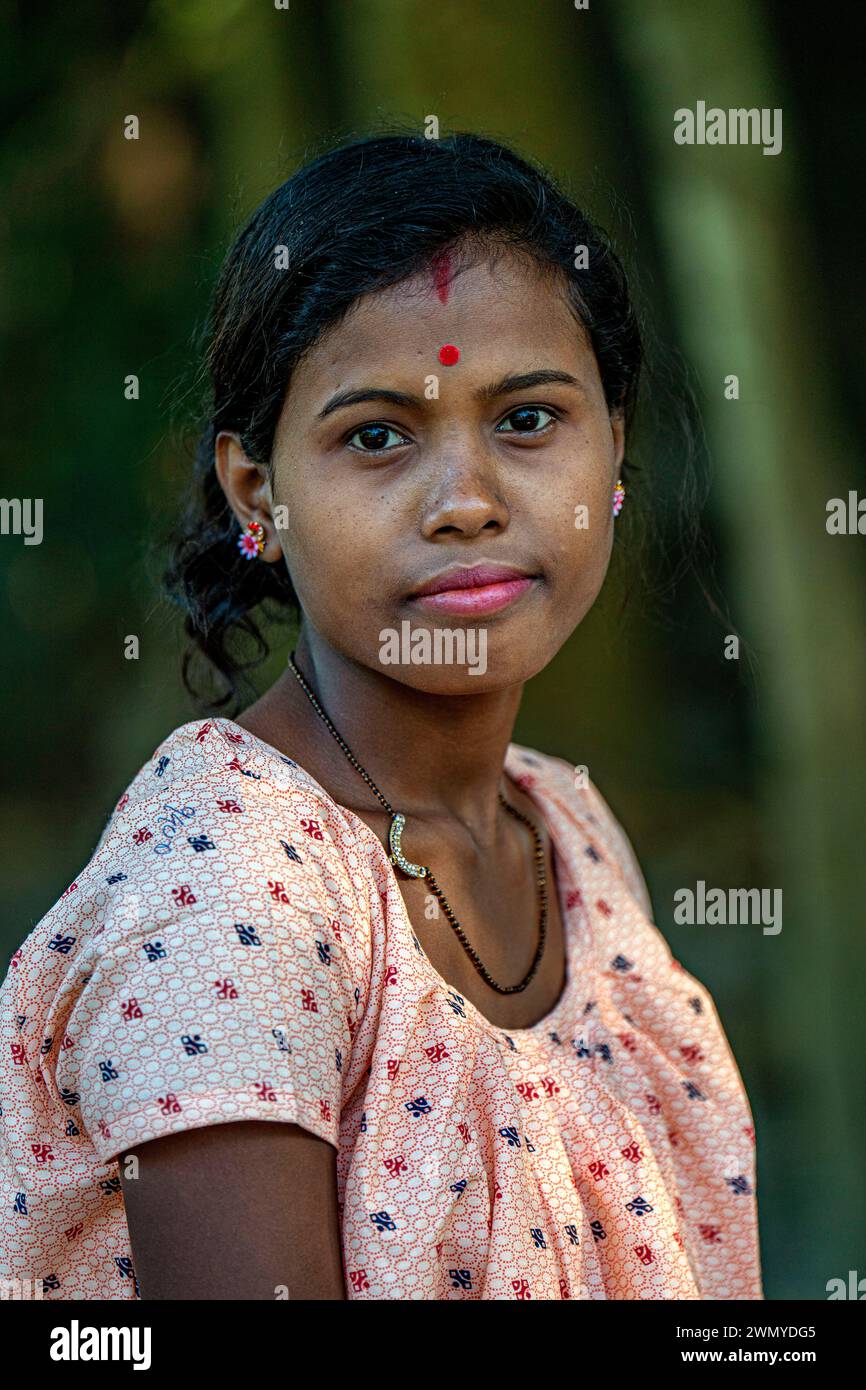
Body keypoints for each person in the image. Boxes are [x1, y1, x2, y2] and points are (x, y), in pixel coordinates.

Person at [0, 131, 762, 1301]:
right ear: (259, 491)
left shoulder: (568, 831)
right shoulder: (228, 889)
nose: (464, 500)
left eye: (525, 420)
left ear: (613, 445)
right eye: (374, 436)